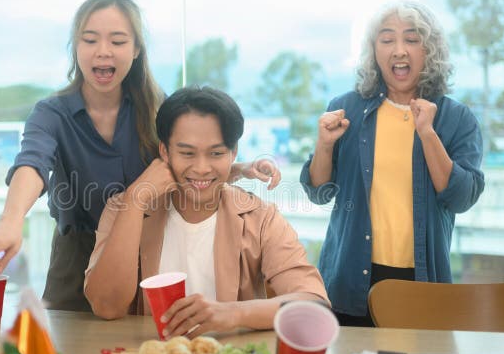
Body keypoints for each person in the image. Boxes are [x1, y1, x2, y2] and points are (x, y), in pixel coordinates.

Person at [0, 0, 280, 312]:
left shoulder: (157, 107)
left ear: (136, 49)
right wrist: (11, 222)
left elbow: (183, 164)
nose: (103, 51)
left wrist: (238, 169)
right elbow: (32, 163)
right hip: (75, 256)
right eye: (90, 39)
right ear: (75, 47)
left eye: (118, 41)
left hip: (146, 249)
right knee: (68, 352)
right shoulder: (51, 113)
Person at [84, 86, 328, 337]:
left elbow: (314, 304)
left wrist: (233, 313)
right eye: (187, 153)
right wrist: (136, 200)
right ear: (164, 152)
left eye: (216, 153)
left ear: (233, 153)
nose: (202, 168)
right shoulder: (123, 209)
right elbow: (107, 307)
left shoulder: (260, 218)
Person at [299, 0, 485, 327]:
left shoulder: (456, 118)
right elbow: (318, 192)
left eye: (411, 39)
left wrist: (427, 132)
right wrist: (324, 146)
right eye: (387, 40)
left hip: (423, 283)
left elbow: (460, 198)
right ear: (374, 51)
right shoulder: (346, 109)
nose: (399, 50)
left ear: (430, 50)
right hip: (349, 282)